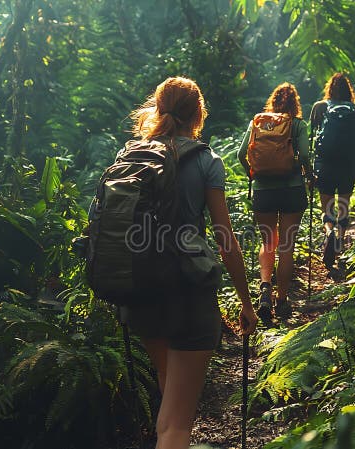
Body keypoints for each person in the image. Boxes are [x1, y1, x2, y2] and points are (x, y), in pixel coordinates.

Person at [123, 77, 257, 449]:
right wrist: (245, 301)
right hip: (188, 295)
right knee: (175, 425)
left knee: (170, 401)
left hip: (142, 293)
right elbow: (224, 239)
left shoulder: (133, 157)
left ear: (157, 108)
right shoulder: (205, 161)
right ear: (198, 113)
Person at [237, 82, 313, 321]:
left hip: (263, 192)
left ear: (272, 102)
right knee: (286, 246)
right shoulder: (298, 124)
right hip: (292, 190)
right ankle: (282, 301)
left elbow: (241, 155)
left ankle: (264, 289)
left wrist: (254, 172)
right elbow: (306, 155)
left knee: (268, 241)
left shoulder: (257, 123)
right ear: (295, 103)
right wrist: (308, 173)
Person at [309, 73, 355, 269]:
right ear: (348, 90)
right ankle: (339, 242)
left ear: (330, 88)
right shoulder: (354, 108)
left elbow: (313, 130)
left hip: (325, 162)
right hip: (347, 163)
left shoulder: (320, 106)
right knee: (343, 204)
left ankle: (329, 232)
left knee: (327, 207)